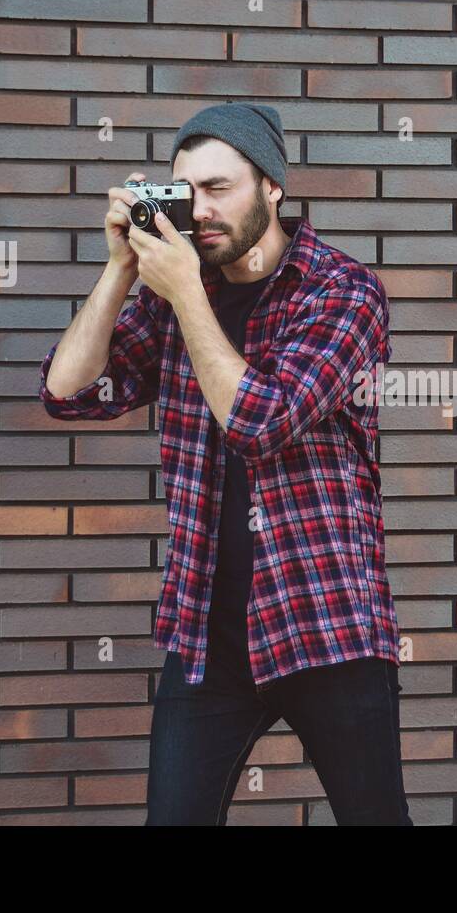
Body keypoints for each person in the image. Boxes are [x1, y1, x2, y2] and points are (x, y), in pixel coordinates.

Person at [38, 102, 410, 826]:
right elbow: (67, 390)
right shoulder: (179, 287)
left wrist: (179, 292)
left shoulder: (342, 291)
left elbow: (262, 419)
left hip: (327, 620)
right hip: (207, 631)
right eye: (185, 193)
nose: (199, 210)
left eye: (219, 188)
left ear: (272, 187)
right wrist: (121, 270)